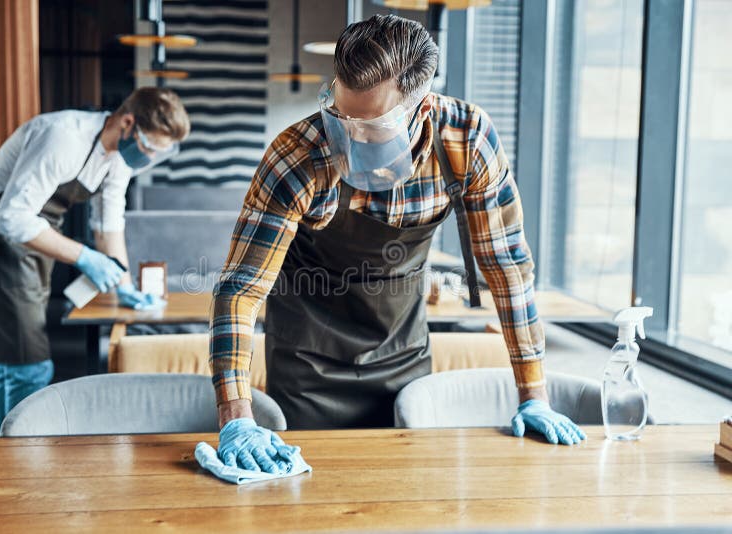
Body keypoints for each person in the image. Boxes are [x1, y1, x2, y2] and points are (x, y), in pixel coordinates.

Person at [208, 15, 586, 473]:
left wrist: (534, 396)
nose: (348, 137)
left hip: (402, 355)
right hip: (308, 365)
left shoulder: (466, 140)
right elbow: (241, 288)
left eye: (371, 127)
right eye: (339, 117)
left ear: (421, 110)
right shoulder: (299, 157)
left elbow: (506, 268)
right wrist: (236, 416)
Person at [0, 87, 190, 432]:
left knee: (11, 361)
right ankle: (25, 457)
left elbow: (109, 225)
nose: (147, 158)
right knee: (29, 365)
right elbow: (10, 218)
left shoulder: (118, 160)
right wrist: (85, 257)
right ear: (128, 122)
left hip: (36, 239)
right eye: (148, 147)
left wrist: (123, 284)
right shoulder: (63, 138)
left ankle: (3, 447)